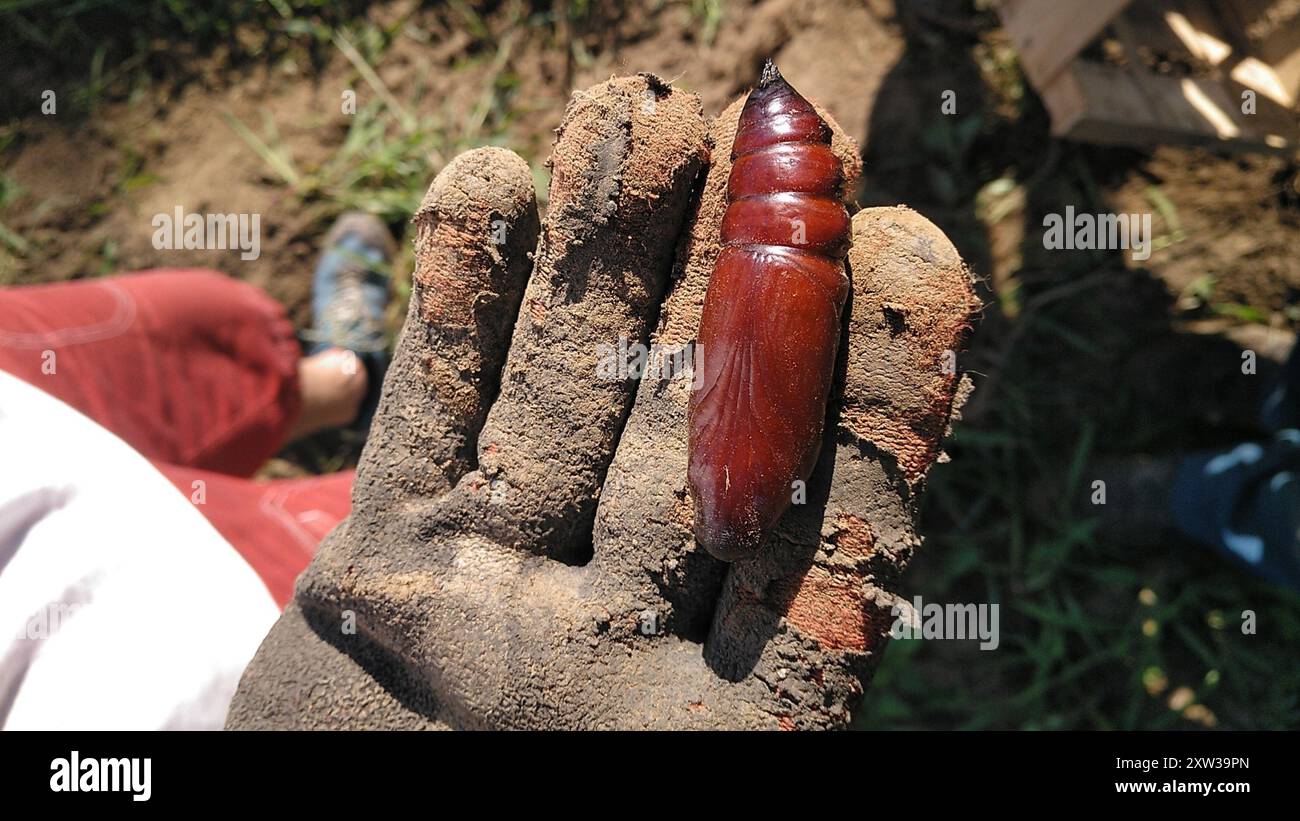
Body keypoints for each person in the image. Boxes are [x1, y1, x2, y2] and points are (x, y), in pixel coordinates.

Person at [0, 212, 394, 729]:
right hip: (126, 652)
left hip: (19, 429)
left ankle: (347, 381)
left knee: (191, 336)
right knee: (400, 541)